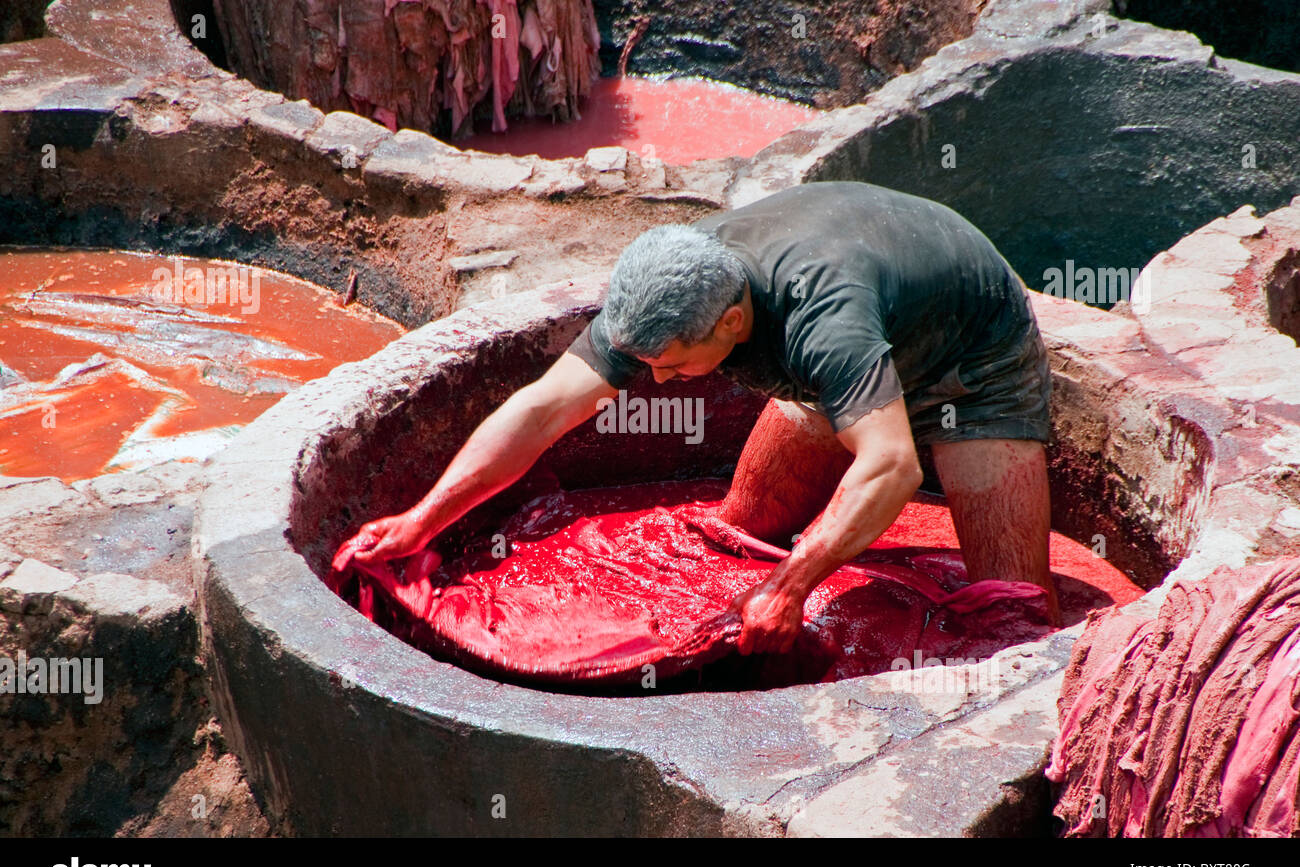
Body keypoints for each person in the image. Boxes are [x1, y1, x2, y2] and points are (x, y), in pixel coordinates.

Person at [345, 180, 1061, 654]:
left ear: (730, 321)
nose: (655, 381)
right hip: (844, 363)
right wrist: (424, 518)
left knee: (1014, 619)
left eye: (675, 365)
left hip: (969, 362)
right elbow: (539, 411)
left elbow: (894, 464)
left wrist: (790, 588)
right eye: (647, 364)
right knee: (741, 530)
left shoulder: (823, 321)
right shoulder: (672, 287)